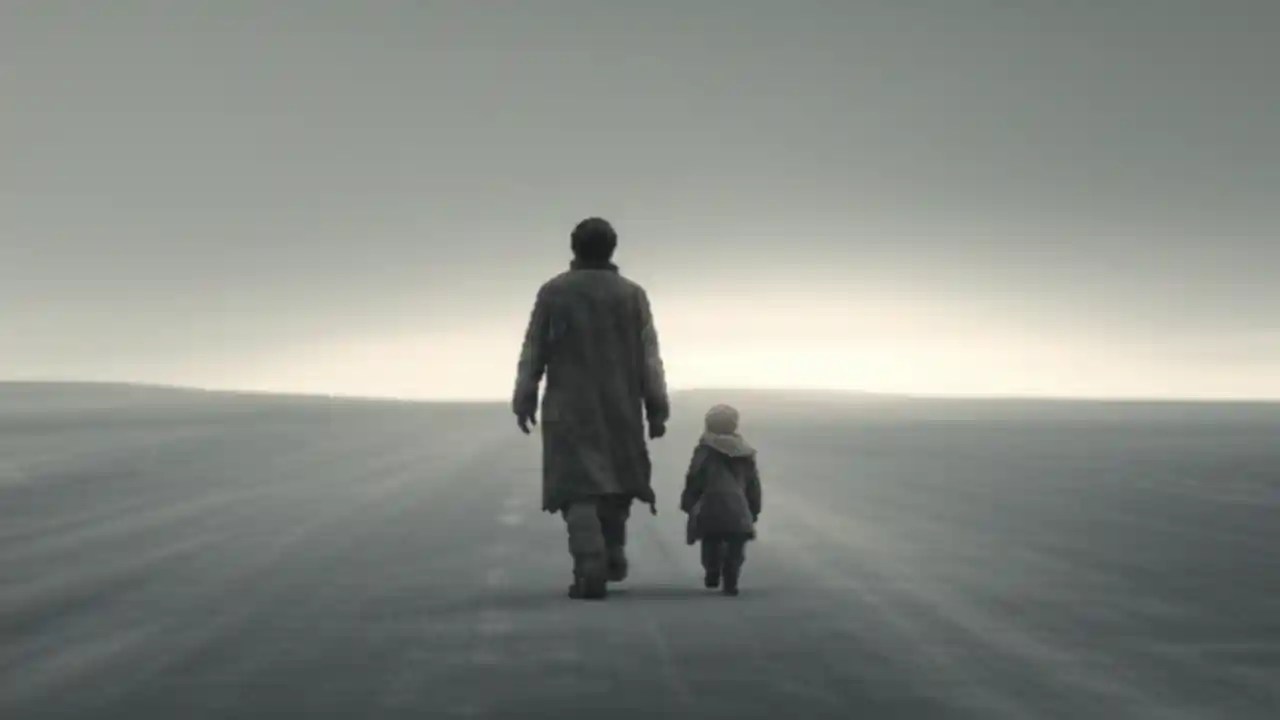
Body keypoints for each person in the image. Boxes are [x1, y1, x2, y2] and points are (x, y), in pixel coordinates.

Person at [513, 217, 669, 600]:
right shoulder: (632, 294)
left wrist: (525, 394)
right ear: (612, 248)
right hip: (620, 405)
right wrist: (657, 405)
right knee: (616, 481)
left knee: (578, 487)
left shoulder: (554, 292)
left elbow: (534, 348)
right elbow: (650, 356)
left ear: (574, 247)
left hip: (568, 405)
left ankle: (589, 560)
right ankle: (611, 548)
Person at [680, 404, 762, 596]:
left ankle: (712, 571)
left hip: (710, 505)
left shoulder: (704, 450)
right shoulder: (746, 453)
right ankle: (731, 580)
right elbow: (753, 485)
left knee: (710, 541)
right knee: (736, 546)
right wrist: (754, 509)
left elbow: (694, 477)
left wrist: (689, 501)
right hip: (739, 507)